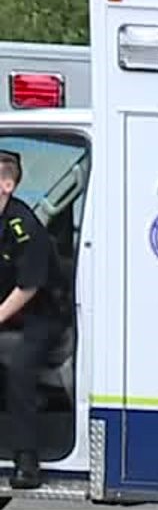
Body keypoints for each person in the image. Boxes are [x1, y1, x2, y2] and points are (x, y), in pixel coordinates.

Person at [0, 150, 62, 491]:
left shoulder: (24, 225)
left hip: (43, 315)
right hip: (13, 311)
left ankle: (27, 460)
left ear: (7, 185)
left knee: (21, 369)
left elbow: (29, 287)